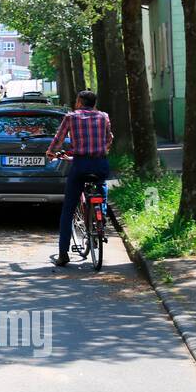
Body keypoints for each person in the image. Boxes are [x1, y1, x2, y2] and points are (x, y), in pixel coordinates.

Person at [46, 89, 113, 266]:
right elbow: (109, 139)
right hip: (100, 163)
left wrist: (51, 152)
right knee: (101, 184)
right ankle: (101, 214)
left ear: (79, 102)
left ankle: (63, 254)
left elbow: (59, 138)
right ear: (94, 103)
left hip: (80, 164)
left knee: (68, 209)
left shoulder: (71, 117)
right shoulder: (103, 117)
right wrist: (103, 149)